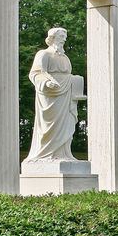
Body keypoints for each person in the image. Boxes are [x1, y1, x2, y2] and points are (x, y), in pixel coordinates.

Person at [24, 27, 83, 163]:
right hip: (50, 94)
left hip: (66, 94)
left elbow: (67, 75)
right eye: (62, 35)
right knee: (50, 126)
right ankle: (45, 154)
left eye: (65, 35)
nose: (64, 38)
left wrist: (75, 80)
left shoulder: (65, 58)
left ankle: (64, 154)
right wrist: (46, 83)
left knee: (67, 122)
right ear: (53, 37)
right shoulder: (44, 54)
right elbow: (36, 73)